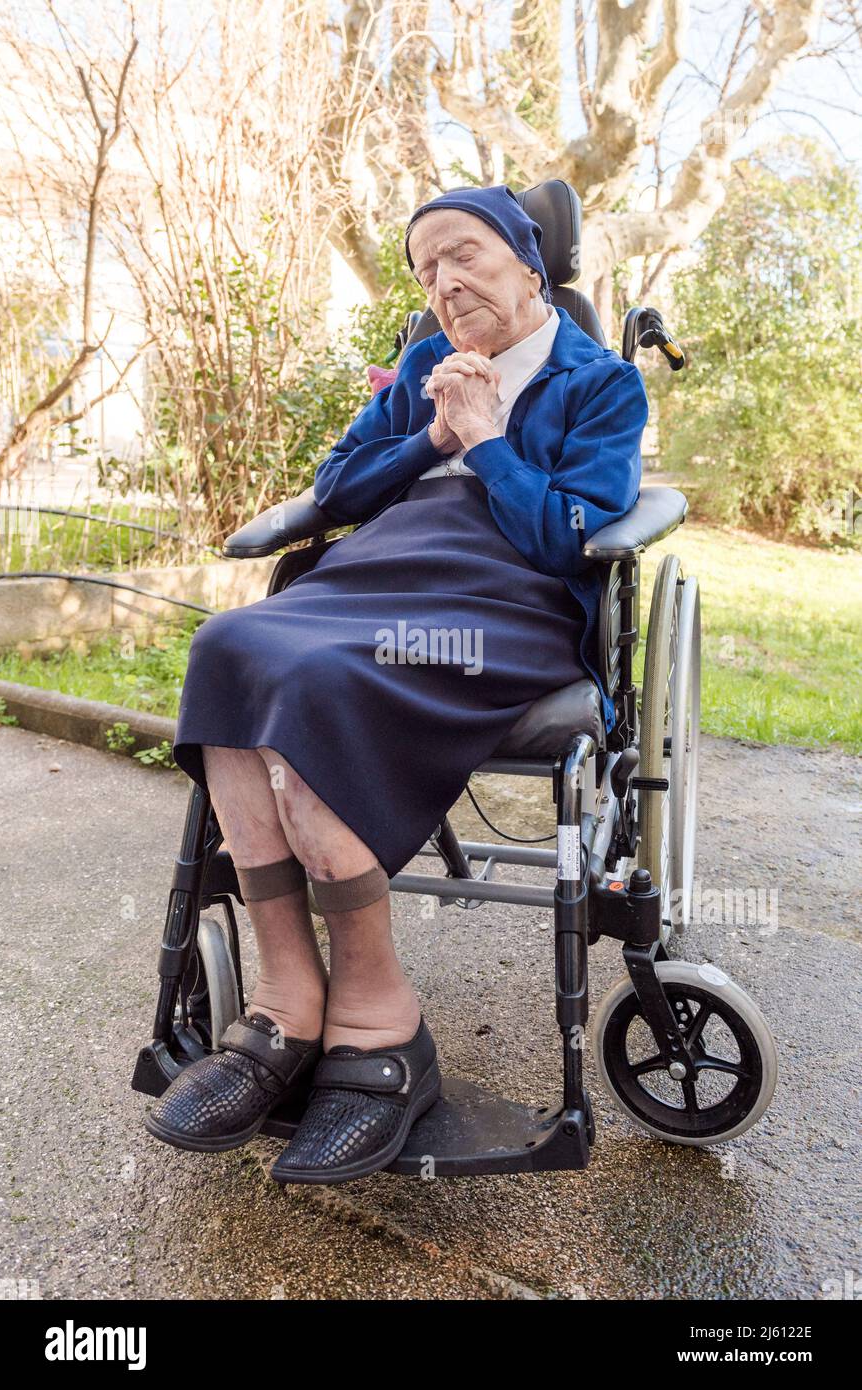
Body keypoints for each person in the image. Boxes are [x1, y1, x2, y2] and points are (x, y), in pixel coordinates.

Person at [144, 184, 649, 1184]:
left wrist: (492, 441)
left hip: (500, 606)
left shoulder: (601, 387)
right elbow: (336, 490)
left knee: (318, 686)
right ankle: (290, 999)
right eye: (426, 269)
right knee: (231, 649)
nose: (444, 283)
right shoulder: (424, 365)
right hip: (372, 581)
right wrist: (430, 434)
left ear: (528, 263)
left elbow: (568, 539)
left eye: (464, 254)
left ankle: (382, 1021)